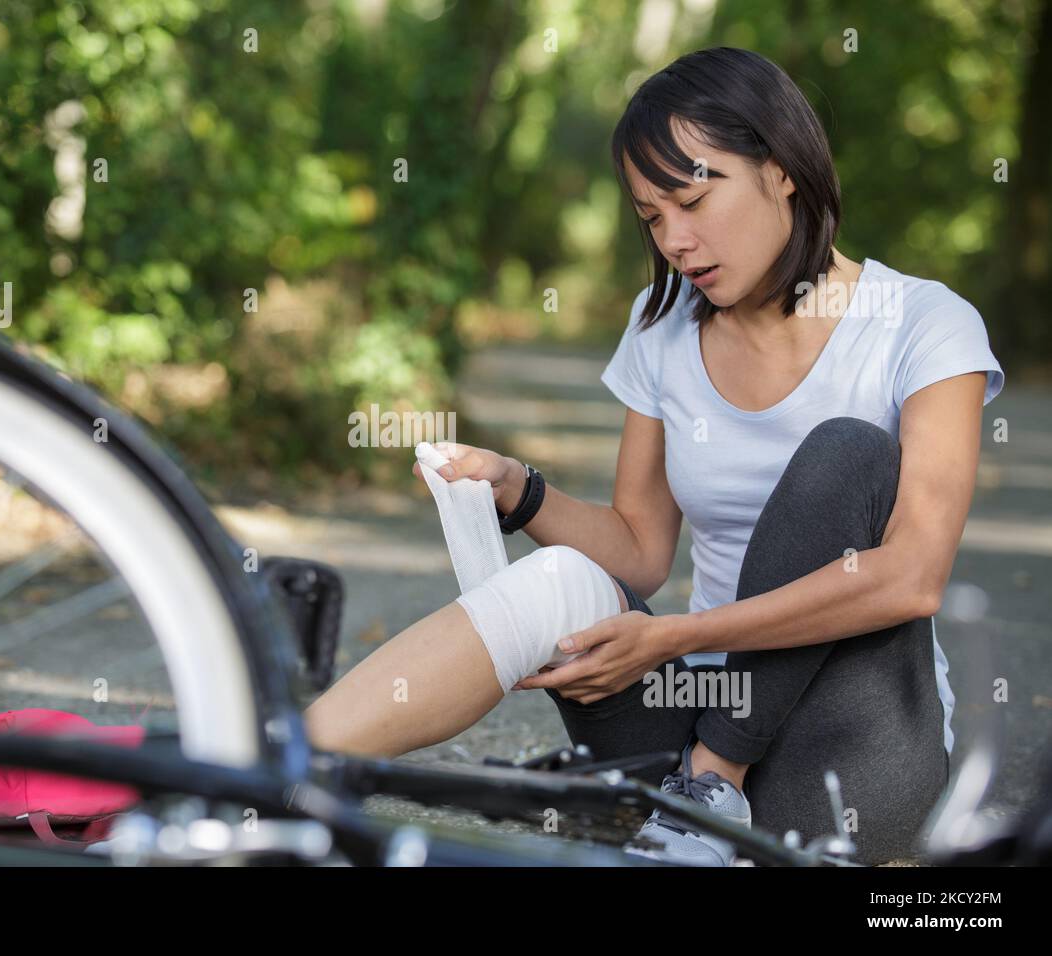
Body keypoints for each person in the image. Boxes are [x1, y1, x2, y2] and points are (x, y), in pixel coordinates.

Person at [302, 46, 1004, 866]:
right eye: (651, 217)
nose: (674, 238)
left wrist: (678, 635)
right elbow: (639, 550)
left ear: (781, 170)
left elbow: (913, 575)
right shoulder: (664, 324)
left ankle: (713, 782)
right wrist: (518, 490)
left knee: (846, 454)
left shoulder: (924, 324)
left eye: (693, 198)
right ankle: (252, 764)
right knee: (562, 582)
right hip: (688, 703)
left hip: (849, 745)